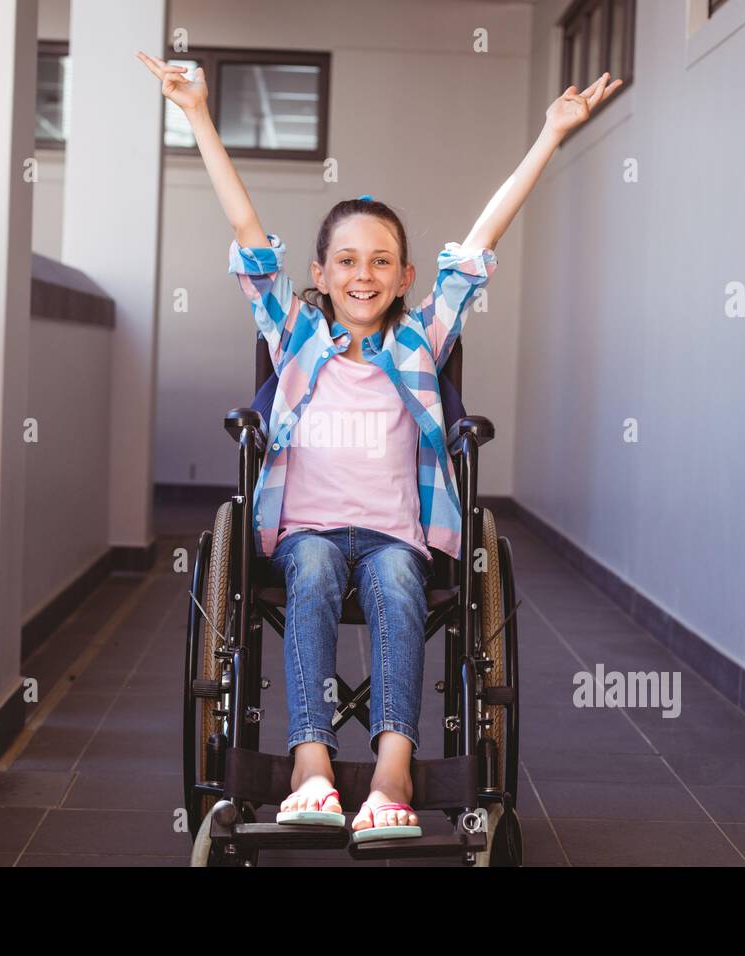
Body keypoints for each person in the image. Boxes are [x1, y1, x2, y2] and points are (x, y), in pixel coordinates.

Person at [137, 50, 621, 841]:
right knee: (318, 569)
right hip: (305, 539)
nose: (365, 275)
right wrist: (197, 116)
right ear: (321, 275)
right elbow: (247, 234)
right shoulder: (294, 337)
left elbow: (478, 242)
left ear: (402, 280)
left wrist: (551, 135)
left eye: (383, 262)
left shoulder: (421, 342)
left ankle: (393, 770)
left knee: (398, 583)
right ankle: (310, 766)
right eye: (348, 262)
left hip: (399, 536)